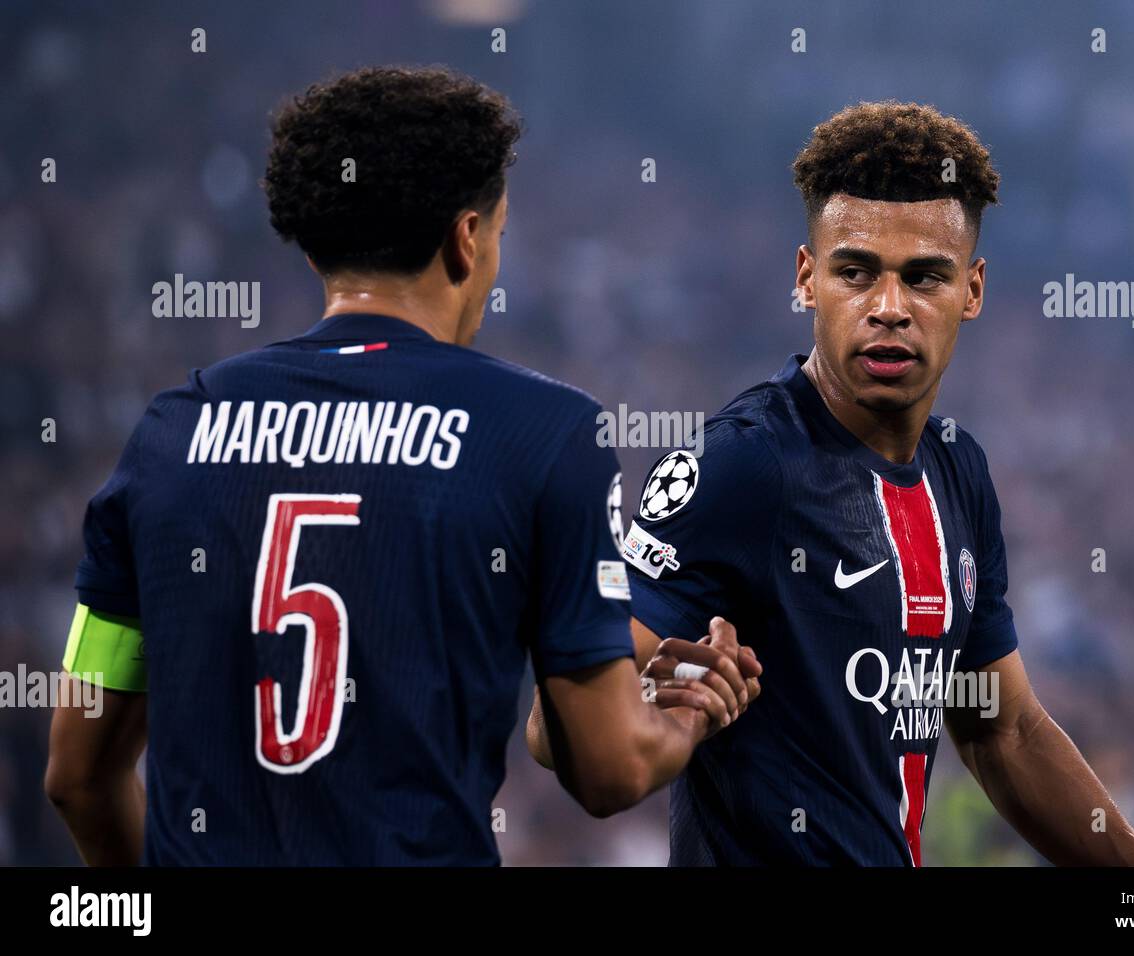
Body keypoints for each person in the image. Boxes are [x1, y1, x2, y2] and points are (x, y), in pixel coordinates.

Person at [45, 65, 758, 866]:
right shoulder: (546, 433)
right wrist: (692, 712)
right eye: (497, 232)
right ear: (466, 238)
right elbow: (609, 768)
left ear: (315, 250)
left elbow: (77, 776)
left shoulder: (167, 436)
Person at [529, 100, 1134, 867]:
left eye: (924, 276)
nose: (888, 308)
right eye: (855, 272)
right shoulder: (742, 466)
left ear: (973, 289)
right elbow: (555, 724)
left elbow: (1003, 730)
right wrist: (671, 702)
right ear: (807, 278)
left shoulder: (959, 471)